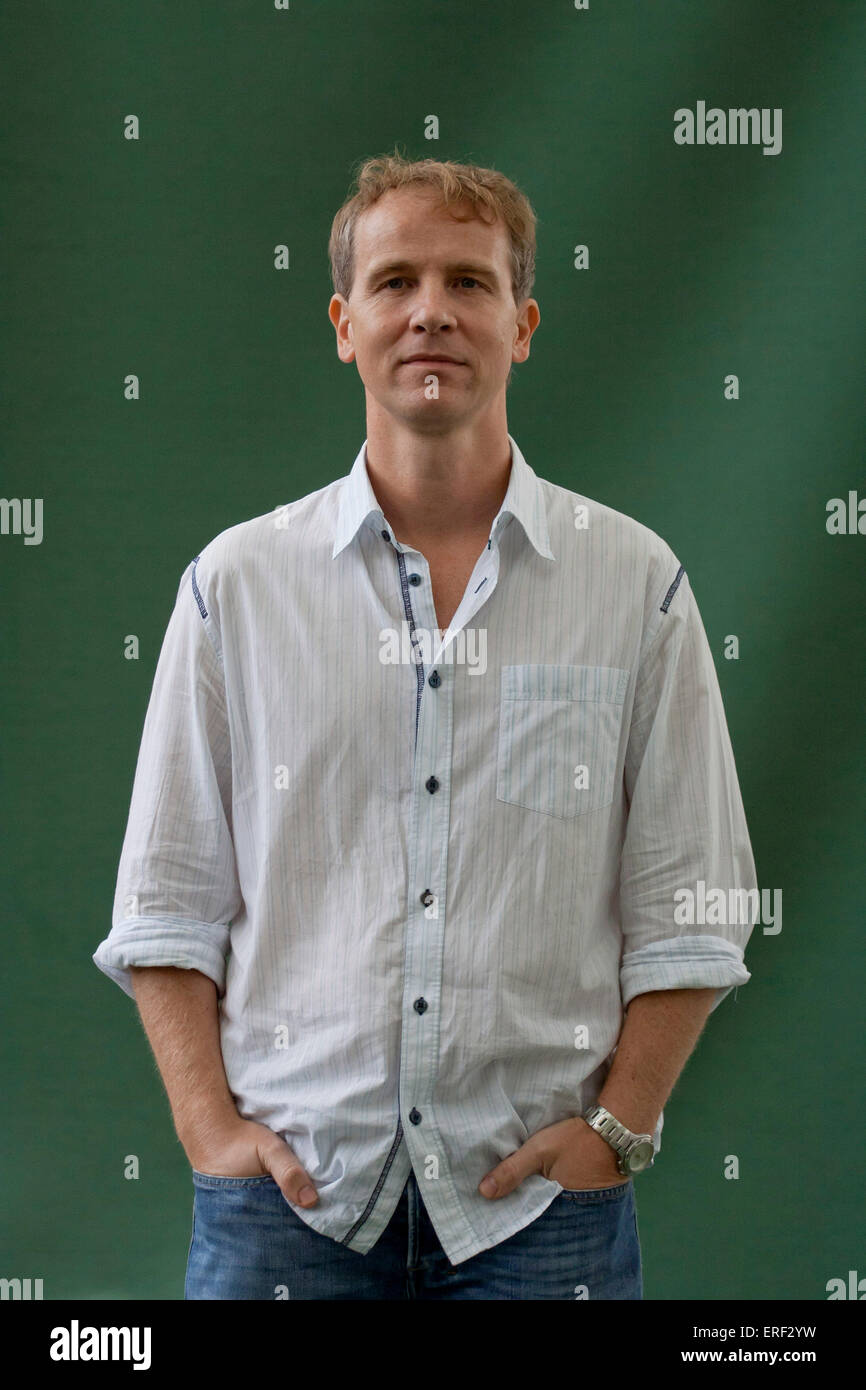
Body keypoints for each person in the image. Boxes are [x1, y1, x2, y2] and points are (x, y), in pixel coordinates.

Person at [92, 153, 758, 1300]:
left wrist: (619, 1128)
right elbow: (165, 908)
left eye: (469, 281)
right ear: (344, 325)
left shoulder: (633, 584)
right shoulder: (235, 586)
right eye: (395, 281)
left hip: (542, 1220)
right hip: (288, 1210)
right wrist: (210, 1135)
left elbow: (692, 906)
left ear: (524, 322)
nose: (431, 312)